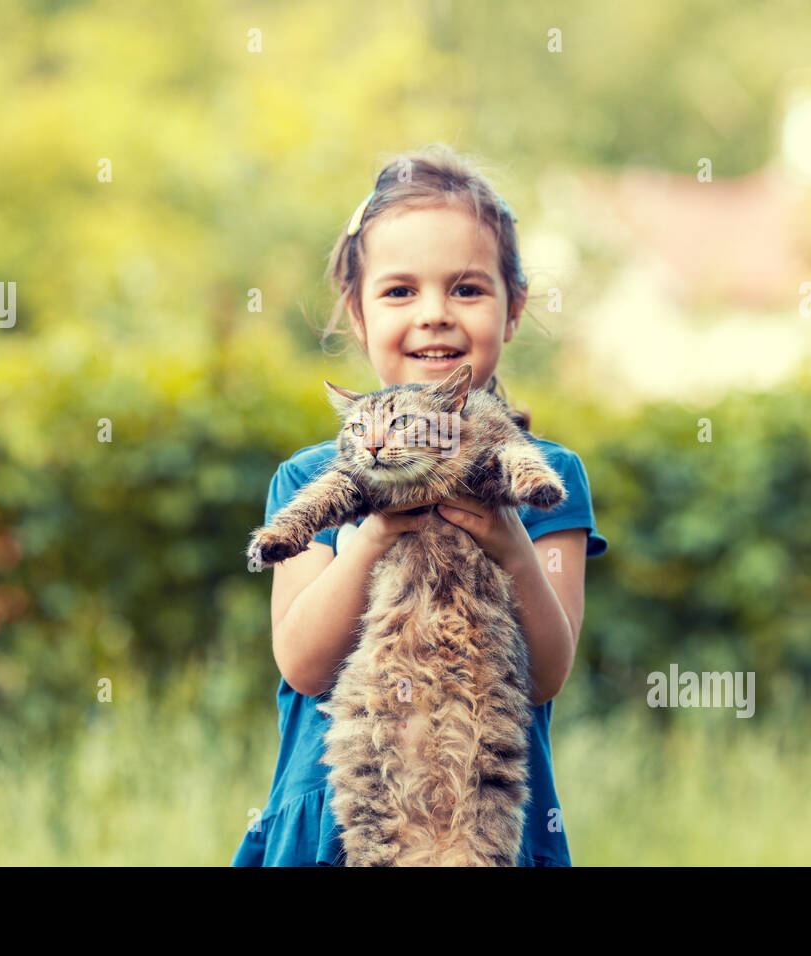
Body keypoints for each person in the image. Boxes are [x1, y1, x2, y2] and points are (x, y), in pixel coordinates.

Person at [231, 144, 608, 866]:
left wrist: (508, 543)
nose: (434, 315)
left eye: (467, 289)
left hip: (479, 815)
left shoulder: (546, 479)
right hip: (340, 819)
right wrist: (368, 540)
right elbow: (303, 665)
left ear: (514, 308)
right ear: (358, 315)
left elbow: (549, 673)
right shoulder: (311, 478)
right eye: (400, 291)